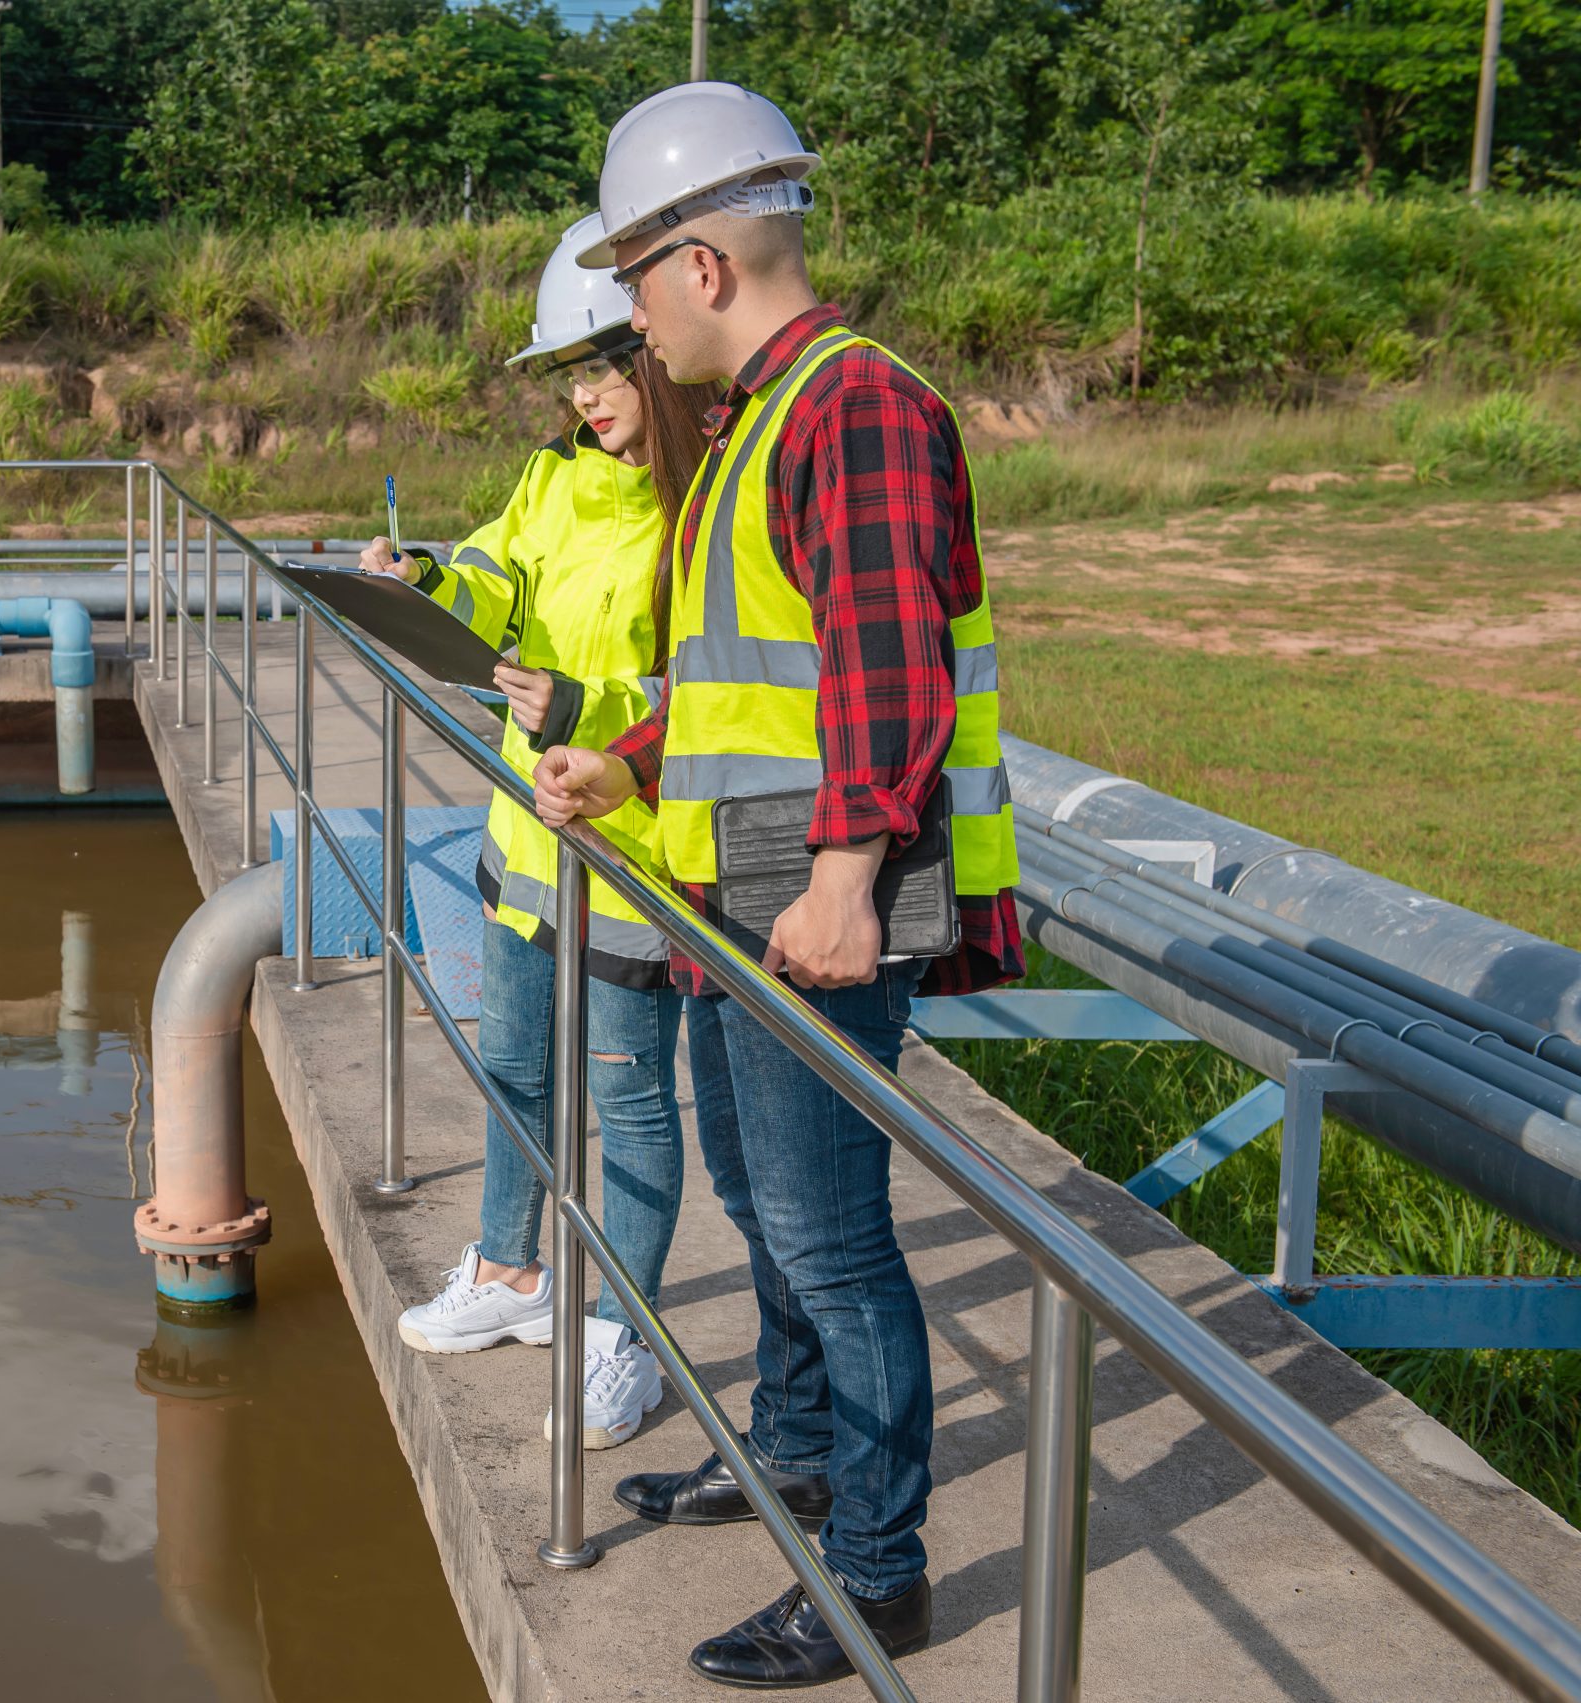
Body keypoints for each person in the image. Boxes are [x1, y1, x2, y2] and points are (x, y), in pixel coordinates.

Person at [533, 82, 1023, 1688]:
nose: (630, 320)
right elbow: (754, 673)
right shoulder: (764, 419)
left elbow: (887, 660)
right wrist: (634, 762)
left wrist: (848, 872)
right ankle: (795, 1458)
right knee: (763, 1198)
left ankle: (874, 1573)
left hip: (807, 897)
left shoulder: (852, 406)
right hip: (736, 884)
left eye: (632, 279)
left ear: (702, 264)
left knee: (829, 1234)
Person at [370, 211, 716, 1452]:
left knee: (629, 1100)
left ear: (658, 353)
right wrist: (425, 582)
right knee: (514, 1064)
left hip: (630, 854)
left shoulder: (705, 504)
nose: (585, 395)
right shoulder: (551, 477)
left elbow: (708, 692)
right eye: (568, 373)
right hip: (523, 835)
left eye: (604, 366)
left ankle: (624, 1333)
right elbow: (494, 578)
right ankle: (511, 1272)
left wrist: (584, 706)